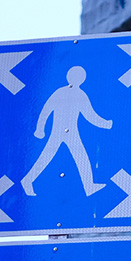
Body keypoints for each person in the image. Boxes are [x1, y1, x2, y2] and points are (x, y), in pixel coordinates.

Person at [20, 66, 113, 197]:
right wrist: (107, 124)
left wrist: (40, 129)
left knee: (78, 158)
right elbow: (90, 116)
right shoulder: (77, 94)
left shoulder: (63, 92)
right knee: (53, 157)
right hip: (63, 132)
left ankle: (89, 186)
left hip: (68, 132)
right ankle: (27, 180)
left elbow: (46, 111)